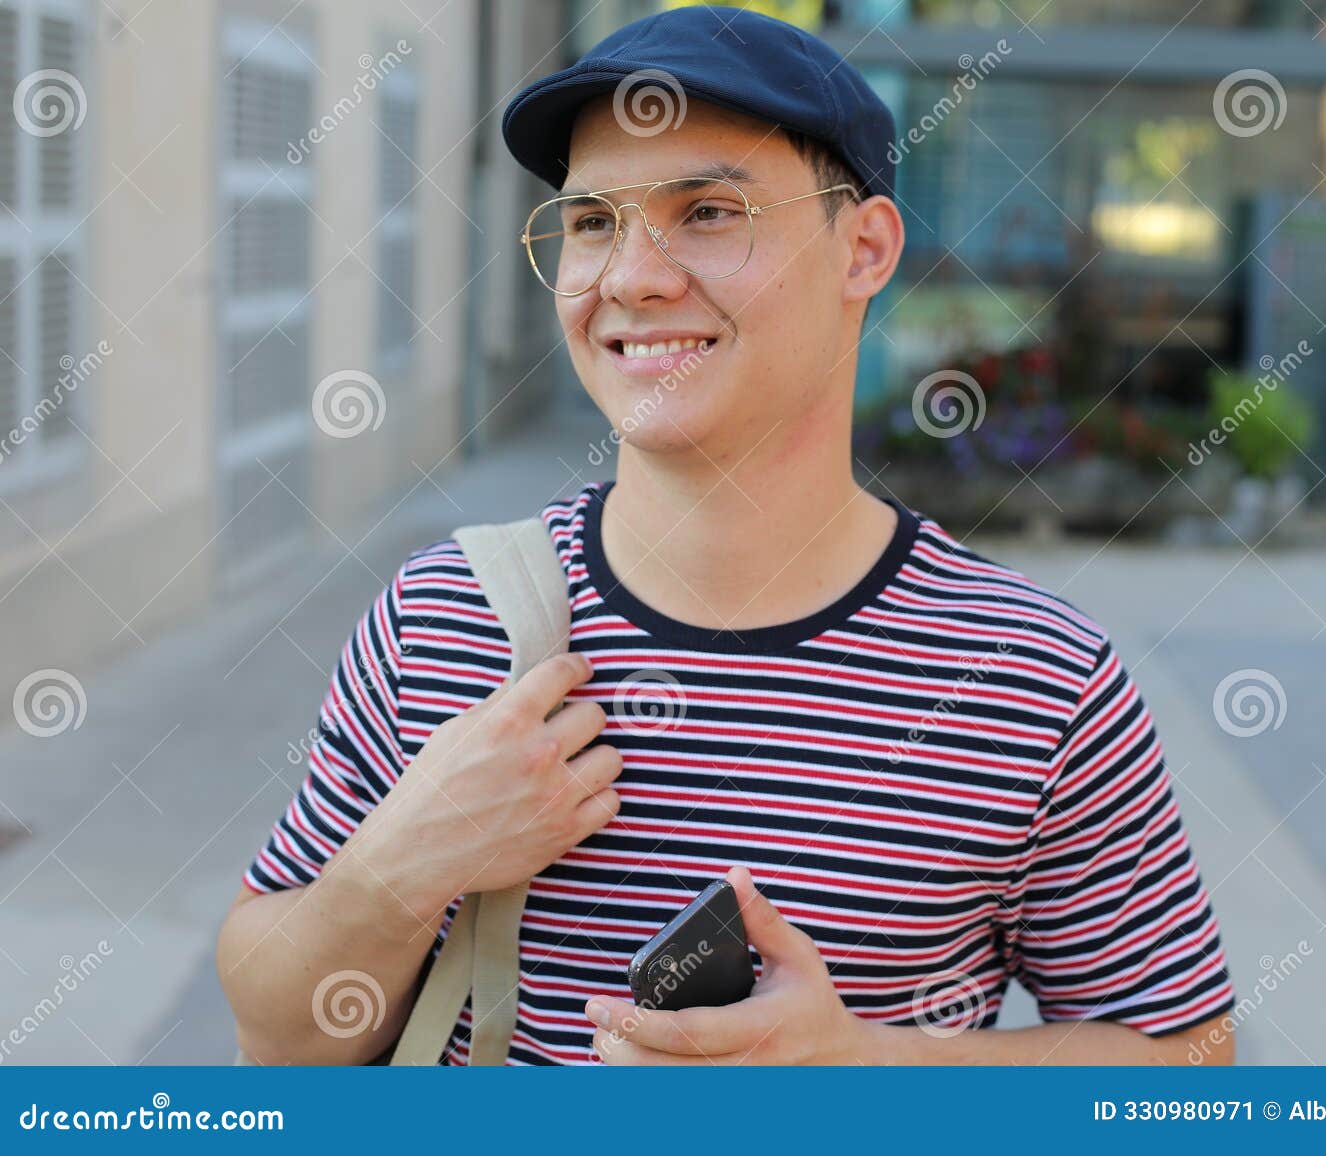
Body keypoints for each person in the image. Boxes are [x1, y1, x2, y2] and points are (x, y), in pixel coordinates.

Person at [217, 4, 1236, 1066]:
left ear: (865, 248)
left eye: (706, 212)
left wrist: (860, 1067)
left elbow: (1187, 1059)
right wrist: (398, 868)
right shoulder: (443, 616)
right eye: (592, 221)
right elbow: (279, 1041)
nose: (631, 277)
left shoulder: (1032, 676)